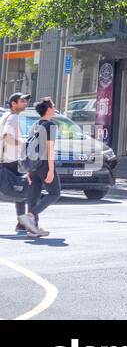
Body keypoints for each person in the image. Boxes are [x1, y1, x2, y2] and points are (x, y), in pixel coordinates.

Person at [20, 98, 60, 238]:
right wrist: (50, 169)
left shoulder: (35, 125)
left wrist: (29, 170)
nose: (55, 108)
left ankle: (33, 229)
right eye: (53, 106)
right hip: (43, 164)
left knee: (34, 195)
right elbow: (49, 149)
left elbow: (30, 147)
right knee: (55, 193)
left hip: (33, 164)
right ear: (48, 109)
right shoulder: (50, 126)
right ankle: (30, 215)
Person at [0, 93, 29, 234]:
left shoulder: (6, 115)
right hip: (10, 161)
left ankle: (21, 222)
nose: (25, 103)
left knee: (19, 191)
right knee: (21, 190)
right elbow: (7, 137)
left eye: (25, 101)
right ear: (13, 103)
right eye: (22, 101)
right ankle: (21, 222)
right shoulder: (13, 117)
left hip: (5, 160)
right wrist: (22, 143)